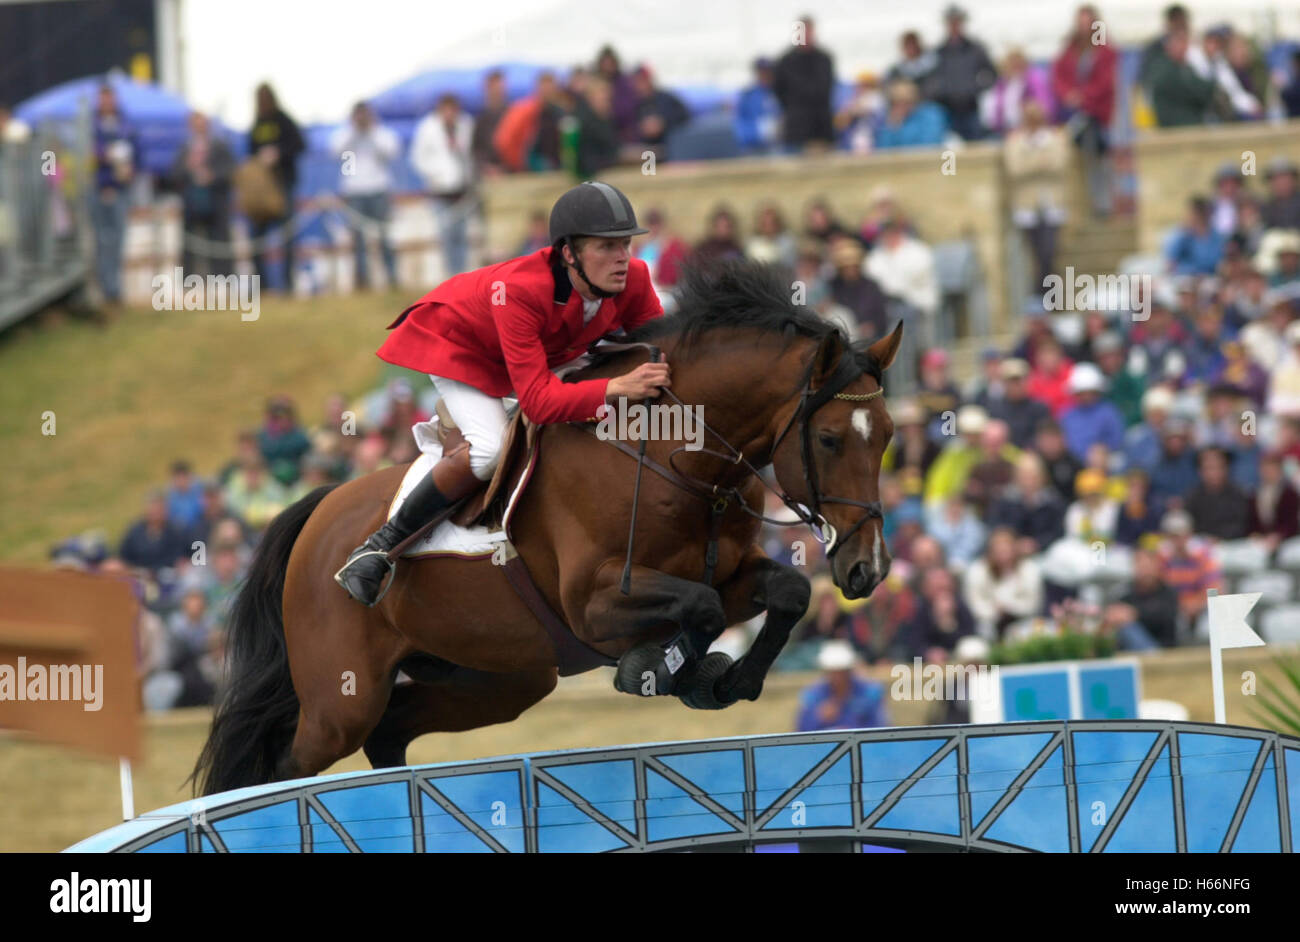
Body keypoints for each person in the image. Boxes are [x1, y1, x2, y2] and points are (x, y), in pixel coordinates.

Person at [337, 182, 667, 604]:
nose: (622, 257)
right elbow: (541, 404)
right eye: (606, 246)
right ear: (569, 253)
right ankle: (378, 547)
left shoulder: (633, 277)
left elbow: (659, 348)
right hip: (461, 348)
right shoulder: (522, 291)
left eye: (625, 244)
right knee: (490, 448)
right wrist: (617, 387)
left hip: (542, 353)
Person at [331, 102, 400, 290]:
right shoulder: (346, 136)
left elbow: (391, 152)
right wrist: (354, 131)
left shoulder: (381, 134)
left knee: (384, 236)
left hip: (379, 189)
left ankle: (392, 277)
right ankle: (362, 281)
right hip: (354, 191)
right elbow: (336, 152)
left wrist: (370, 131)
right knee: (358, 240)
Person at [1003, 99, 1069, 296]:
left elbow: (1059, 164)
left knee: (1048, 251)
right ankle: (1042, 295)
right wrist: (1041, 162)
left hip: (1051, 202)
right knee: (1033, 253)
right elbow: (1015, 169)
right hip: (1027, 205)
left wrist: (1030, 163)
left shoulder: (1055, 138)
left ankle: (1046, 294)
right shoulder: (1015, 141)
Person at [412, 93, 476, 278]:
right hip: (439, 190)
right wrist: (435, 175)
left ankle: (463, 276)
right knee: (446, 235)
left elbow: (471, 154)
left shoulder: (465, 125)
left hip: (462, 189)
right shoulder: (427, 128)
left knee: (461, 235)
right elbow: (418, 158)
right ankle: (452, 275)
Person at [248, 83, 304, 291]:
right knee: (257, 238)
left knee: (287, 236)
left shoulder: (283, 120)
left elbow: (299, 144)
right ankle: (262, 286)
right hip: (262, 191)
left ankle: (288, 284)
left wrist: (278, 153)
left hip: (284, 186)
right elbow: (251, 152)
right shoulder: (256, 123)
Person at [170, 111, 234, 279]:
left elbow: (230, 170)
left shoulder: (219, 145)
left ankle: (222, 279)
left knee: (219, 243)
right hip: (192, 203)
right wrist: (188, 168)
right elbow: (174, 173)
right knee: (191, 245)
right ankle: (190, 281)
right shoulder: (185, 148)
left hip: (216, 202)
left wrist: (212, 176)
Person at [90, 84, 137, 304]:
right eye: (103, 99)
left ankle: (114, 289)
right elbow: (84, 154)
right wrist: (102, 155)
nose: (107, 103)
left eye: (110, 99)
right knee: (101, 241)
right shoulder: (89, 125)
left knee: (117, 240)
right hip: (98, 190)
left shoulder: (127, 125)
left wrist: (131, 170)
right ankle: (106, 288)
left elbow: (138, 154)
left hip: (121, 190)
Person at [926, 5, 997, 141]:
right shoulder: (938, 52)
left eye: (957, 22)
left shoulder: (976, 49)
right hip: (947, 109)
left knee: (975, 144)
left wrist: (976, 88)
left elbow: (991, 74)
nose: (954, 26)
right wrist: (939, 92)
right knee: (949, 150)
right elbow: (930, 78)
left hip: (971, 107)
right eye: (951, 22)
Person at [795, 640, 890, 732]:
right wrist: (818, 718)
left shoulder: (870, 692)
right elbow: (801, 731)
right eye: (833, 672)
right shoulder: (813, 695)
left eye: (842, 671)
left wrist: (850, 729)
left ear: (849, 670)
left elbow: (881, 727)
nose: (838, 677)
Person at [773, 14, 835, 151]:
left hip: (821, 126)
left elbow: (827, 89)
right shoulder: (785, 61)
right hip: (796, 127)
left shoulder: (824, 59)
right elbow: (779, 91)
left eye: (809, 31)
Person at [735, 57, 782, 155]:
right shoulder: (748, 95)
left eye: (768, 72)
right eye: (762, 72)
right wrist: (758, 132)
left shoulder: (781, 93)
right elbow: (739, 124)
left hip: (779, 147)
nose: (765, 75)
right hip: (753, 148)